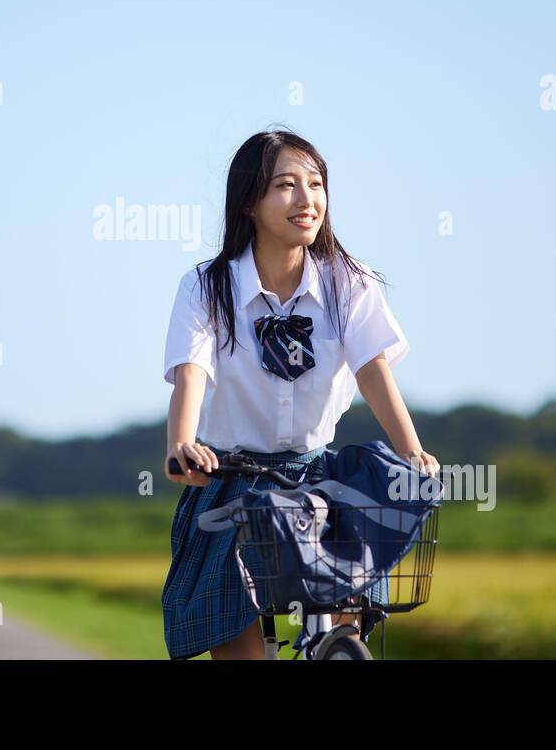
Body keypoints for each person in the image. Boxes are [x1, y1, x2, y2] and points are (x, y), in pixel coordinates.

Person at [160, 128, 440, 660]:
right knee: (235, 643)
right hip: (231, 481)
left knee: (346, 626)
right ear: (249, 201)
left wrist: (412, 452)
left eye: (316, 183)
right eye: (285, 185)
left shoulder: (348, 282)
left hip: (318, 479)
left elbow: (372, 369)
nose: (307, 199)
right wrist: (182, 444)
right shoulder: (206, 285)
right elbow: (191, 370)